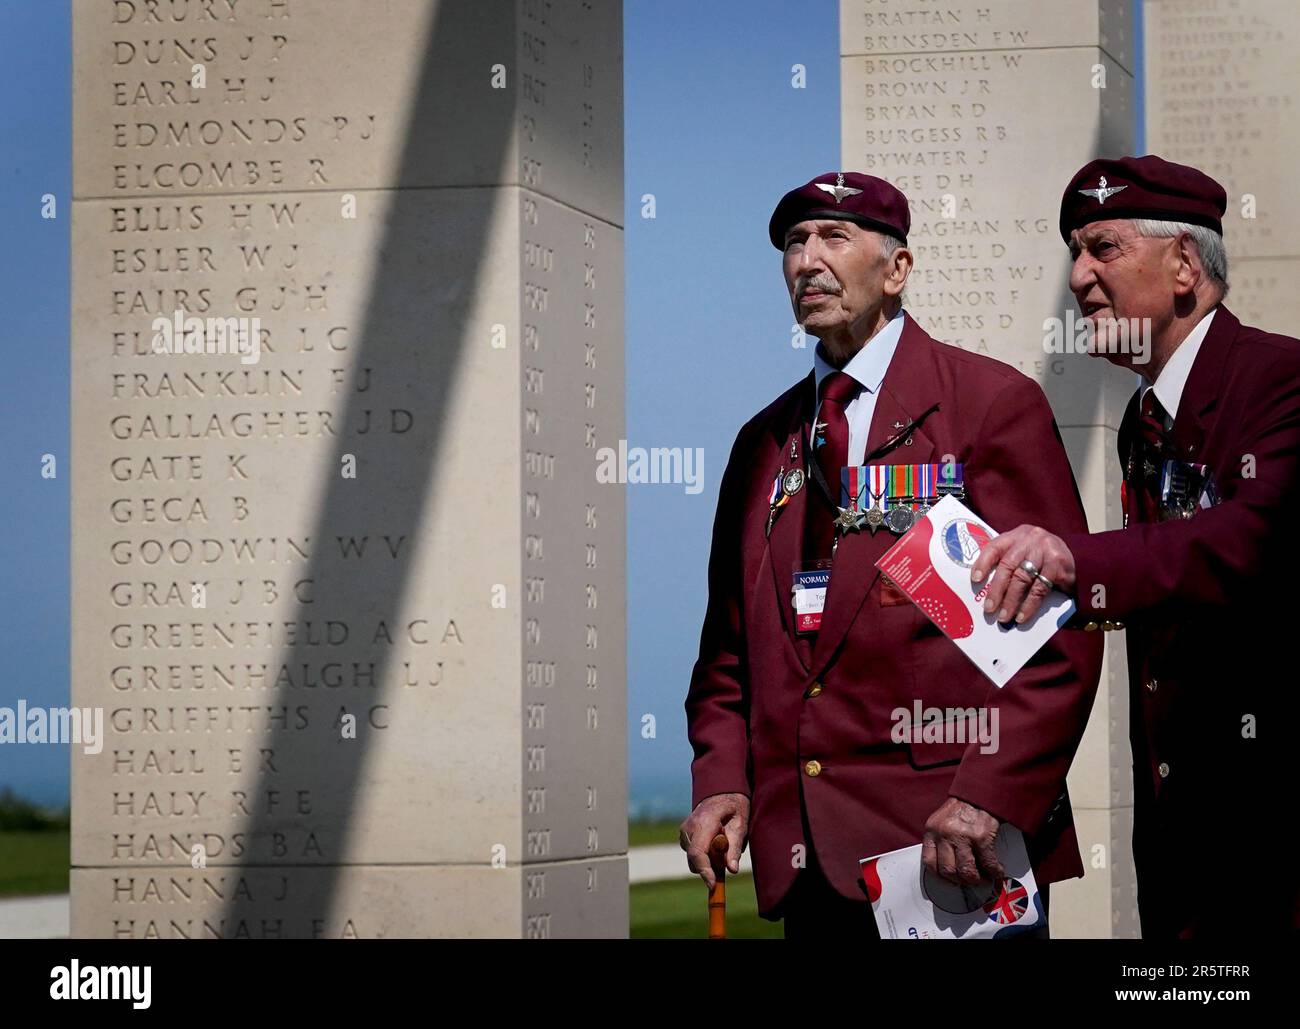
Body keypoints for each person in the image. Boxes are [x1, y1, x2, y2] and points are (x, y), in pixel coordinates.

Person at [679, 171, 1103, 938]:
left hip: (952, 858)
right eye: (795, 243)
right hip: (806, 864)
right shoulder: (760, 444)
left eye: (834, 238)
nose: (807, 261)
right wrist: (720, 780)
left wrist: (990, 794)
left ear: (897, 269)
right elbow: (726, 652)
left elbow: (1058, 636)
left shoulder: (987, 405)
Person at [971, 154, 1300, 938]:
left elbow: (1247, 541)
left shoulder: (1281, 379)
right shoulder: (1141, 423)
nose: (1079, 276)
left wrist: (1071, 561)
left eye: (1102, 247)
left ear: (1185, 263)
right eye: (1074, 252)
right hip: (1183, 857)